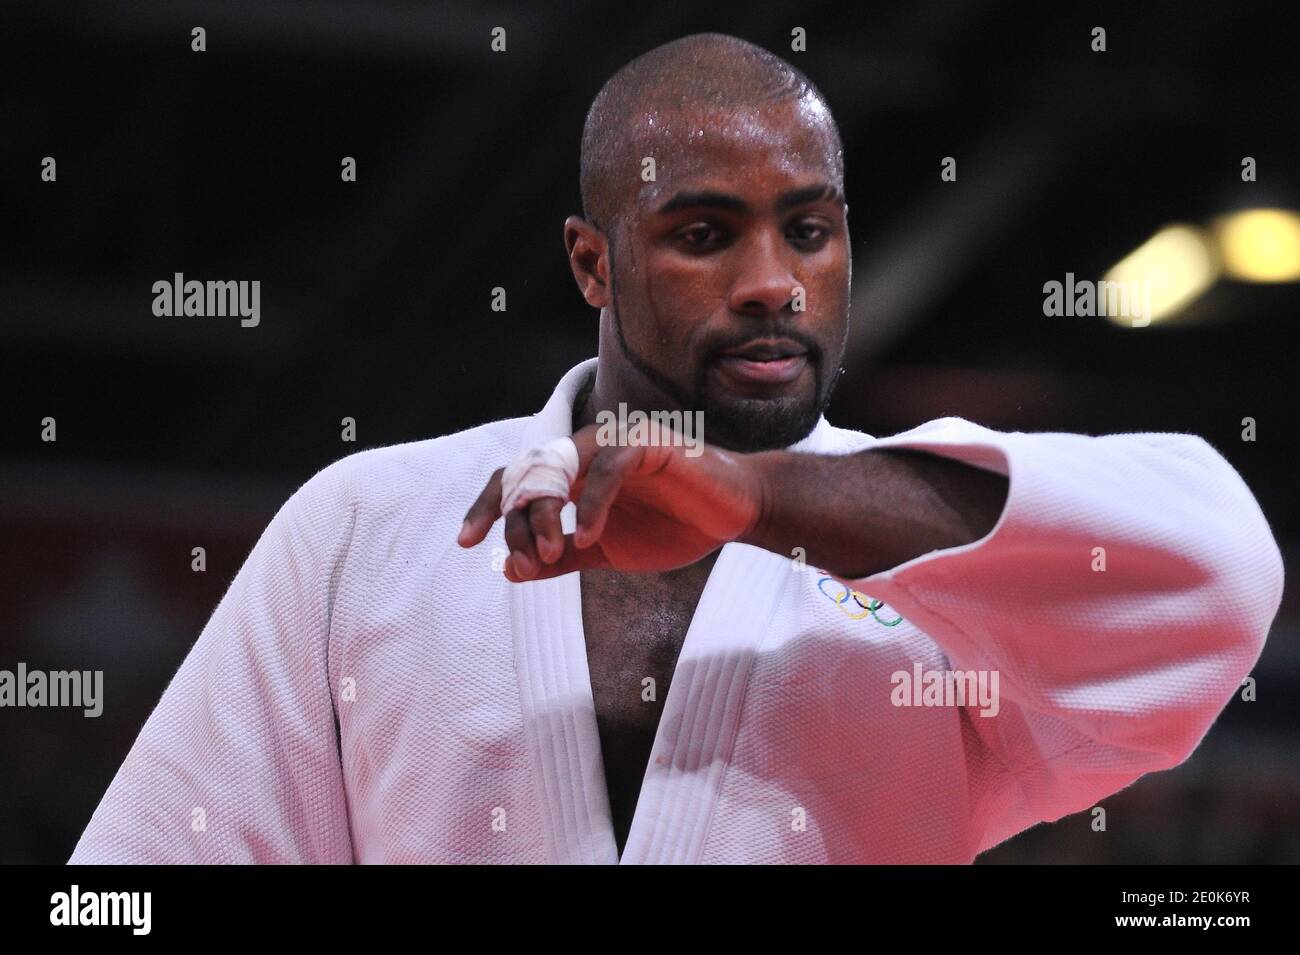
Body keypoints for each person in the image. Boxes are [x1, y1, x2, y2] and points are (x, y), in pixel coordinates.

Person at [70, 33, 1283, 864]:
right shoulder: (368, 525)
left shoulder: (923, 555)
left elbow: (1221, 572)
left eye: (808, 231)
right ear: (591, 262)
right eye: (704, 234)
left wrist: (760, 498)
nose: (772, 284)